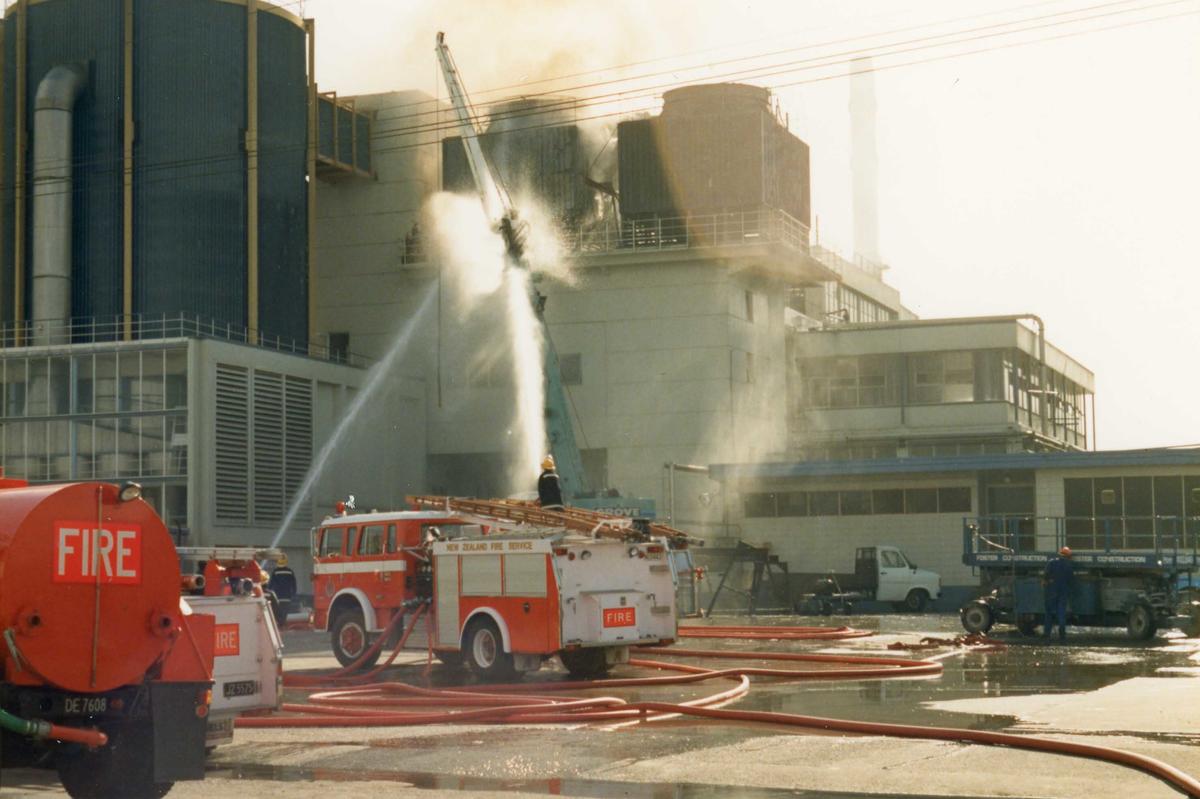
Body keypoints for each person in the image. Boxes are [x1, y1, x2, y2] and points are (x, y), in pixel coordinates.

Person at [1043, 545, 1074, 642]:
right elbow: (1070, 580)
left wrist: (1046, 584)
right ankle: (1062, 636)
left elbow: (1045, 576)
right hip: (1063, 592)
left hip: (1052, 591)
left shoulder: (1052, 562)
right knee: (1061, 613)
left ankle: (1047, 635)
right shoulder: (1068, 565)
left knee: (1049, 613)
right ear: (1068, 556)